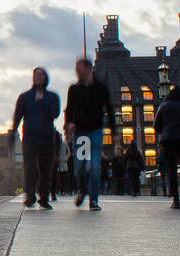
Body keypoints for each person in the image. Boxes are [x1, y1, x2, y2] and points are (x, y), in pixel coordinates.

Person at [64, 56, 115, 212]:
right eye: (76, 71)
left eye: (80, 70)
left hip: (95, 132)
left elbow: (109, 108)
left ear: (88, 69)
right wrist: (69, 124)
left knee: (94, 167)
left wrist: (114, 130)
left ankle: (93, 200)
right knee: (79, 166)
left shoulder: (101, 88)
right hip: (81, 134)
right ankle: (81, 189)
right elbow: (69, 110)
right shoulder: (74, 89)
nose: (78, 74)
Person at [10, 67, 60, 210]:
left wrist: (42, 102)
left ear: (45, 78)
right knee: (30, 168)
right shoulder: (25, 97)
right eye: (36, 75)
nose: (38, 77)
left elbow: (54, 114)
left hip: (46, 138)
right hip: (30, 138)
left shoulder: (52, 97)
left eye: (41, 75)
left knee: (45, 170)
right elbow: (18, 115)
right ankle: (30, 196)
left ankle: (44, 197)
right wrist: (13, 132)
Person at [154, 83, 180, 210]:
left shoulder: (164, 105)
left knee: (171, 169)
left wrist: (165, 131)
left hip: (168, 139)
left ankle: (175, 199)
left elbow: (156, 124)